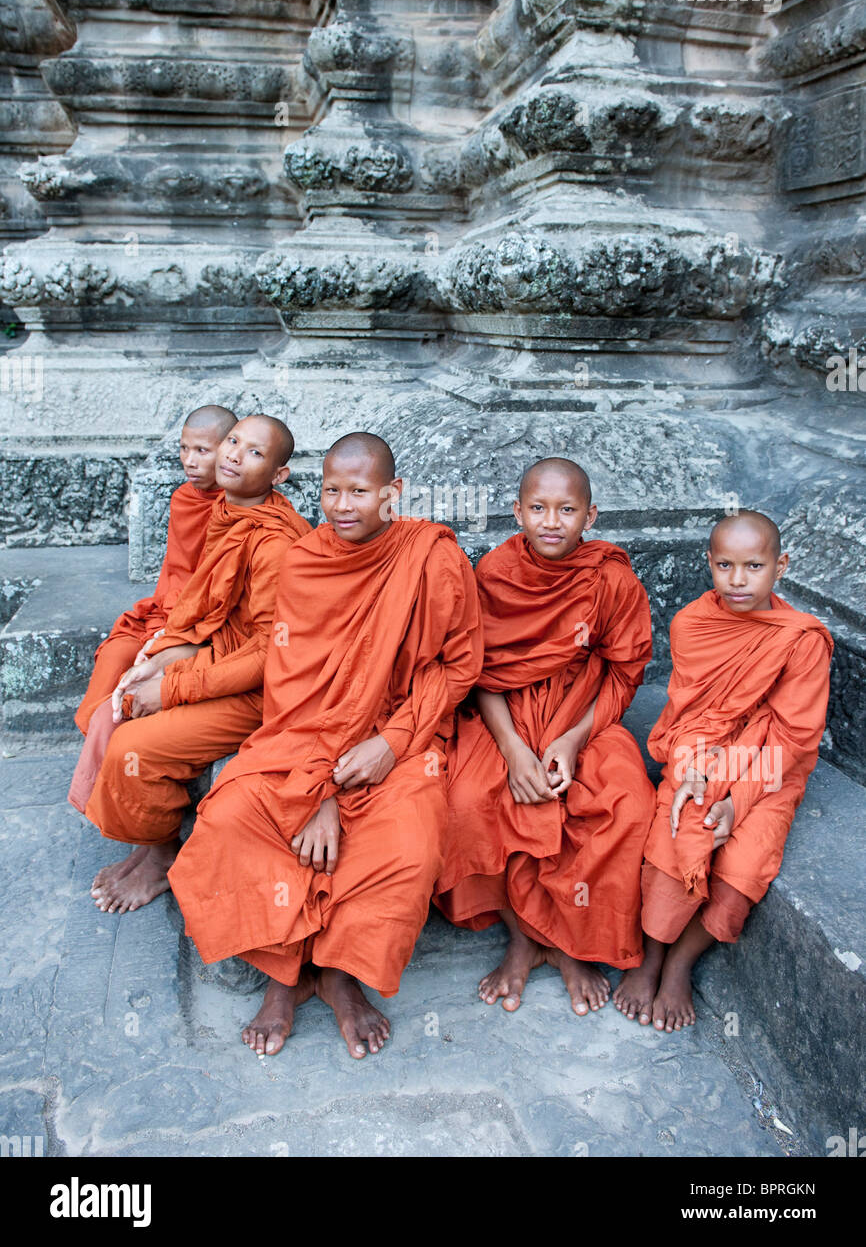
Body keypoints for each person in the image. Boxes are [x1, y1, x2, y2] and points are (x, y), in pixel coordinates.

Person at [168, 432, 484, 1060]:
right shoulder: (307, 562)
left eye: (360, 492)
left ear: (393, 494)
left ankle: (338, 975)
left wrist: (391, 744)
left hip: (404, 732)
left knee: (410, 842)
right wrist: (322, 792)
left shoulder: (432, 555)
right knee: (230, 820)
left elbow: (458, 665)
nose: (343, 505)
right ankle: (282, 975)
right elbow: (293, 690)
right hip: (303, 742)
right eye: (330, 491)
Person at [434, 458, 656, 1016]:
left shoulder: (612, 579)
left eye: (567, 509)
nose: (551, 521)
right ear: (517, 511)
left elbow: (625, 672)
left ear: (591, 515)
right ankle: (527, 936)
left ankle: (569, 941)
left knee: (625, 802)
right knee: (466, 800)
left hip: (584, 713)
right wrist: (511, 750)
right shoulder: (495, 572)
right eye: (537, 508)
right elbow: (477, 671)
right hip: (503, 713)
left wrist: (574, 741)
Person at [613, 510, 833, 1032]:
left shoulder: (801, 638)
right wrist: (691, 772)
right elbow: (693, 715)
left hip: (770, 766)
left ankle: (681, 965)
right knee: (678, 829)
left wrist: (738, 802)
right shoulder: (693, 623)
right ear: (708, 564)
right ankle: (650, 957)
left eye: (754, 566)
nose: (738, 580)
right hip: (703, 752)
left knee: (745, 862)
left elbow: (794, 737)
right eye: (726, 566)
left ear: (781, 567)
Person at [85, 415, 310, 914]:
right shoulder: (230, 510)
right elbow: (214, 610)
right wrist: (165, 653)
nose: (232, 455)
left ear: (279, 475)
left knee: (132, 746)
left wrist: (171, 688)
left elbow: (271, 653)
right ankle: (148, 840)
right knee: (122, 691)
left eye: (254, 452)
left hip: (265, 690)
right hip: (224, 652)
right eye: (233, 442)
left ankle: (163, 853)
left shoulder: (274, 542)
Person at [74, 404, 237, 735]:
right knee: (117, 653)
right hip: (170, 608)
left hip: (208, 623)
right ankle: (100, 737)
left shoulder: (239, 507)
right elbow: (176, 572)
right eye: (184, 448)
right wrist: (166, 619)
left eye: (202, 451)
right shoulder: (183, 499)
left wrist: (179, 627)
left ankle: (120, 740)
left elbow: (223, 587)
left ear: (229, 452)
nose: (189, 460)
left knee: (151, 660)